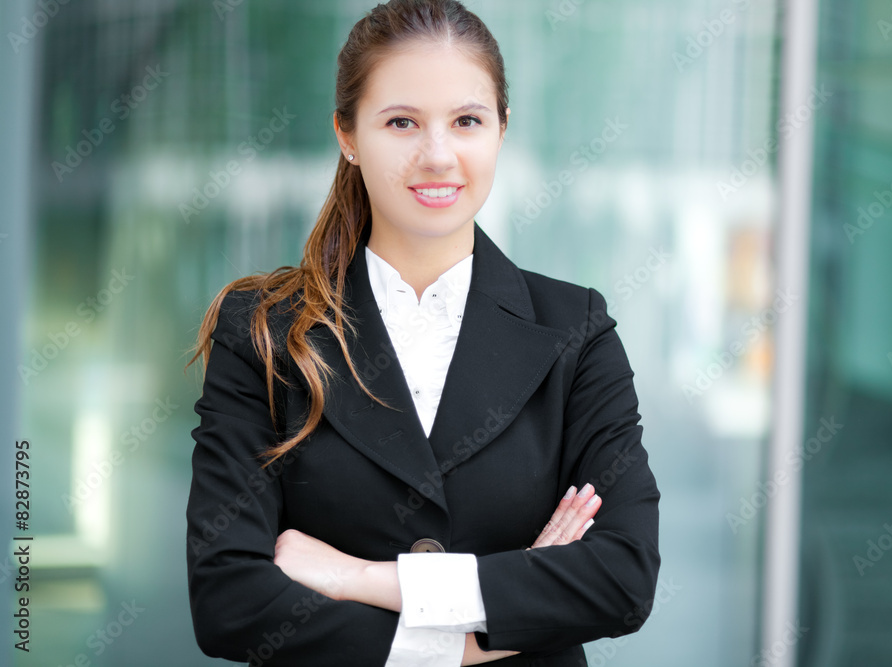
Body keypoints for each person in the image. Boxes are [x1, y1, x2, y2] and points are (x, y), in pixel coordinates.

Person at [185, 0, 660, 664]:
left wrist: (361, 578)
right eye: (402, 122)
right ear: (347, 135)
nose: (438, 155)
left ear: (501, 130)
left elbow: (621, 576)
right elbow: (229, 598)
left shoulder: (576, 331)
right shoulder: (263, 333)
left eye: (467, 121)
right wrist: (472, 638)